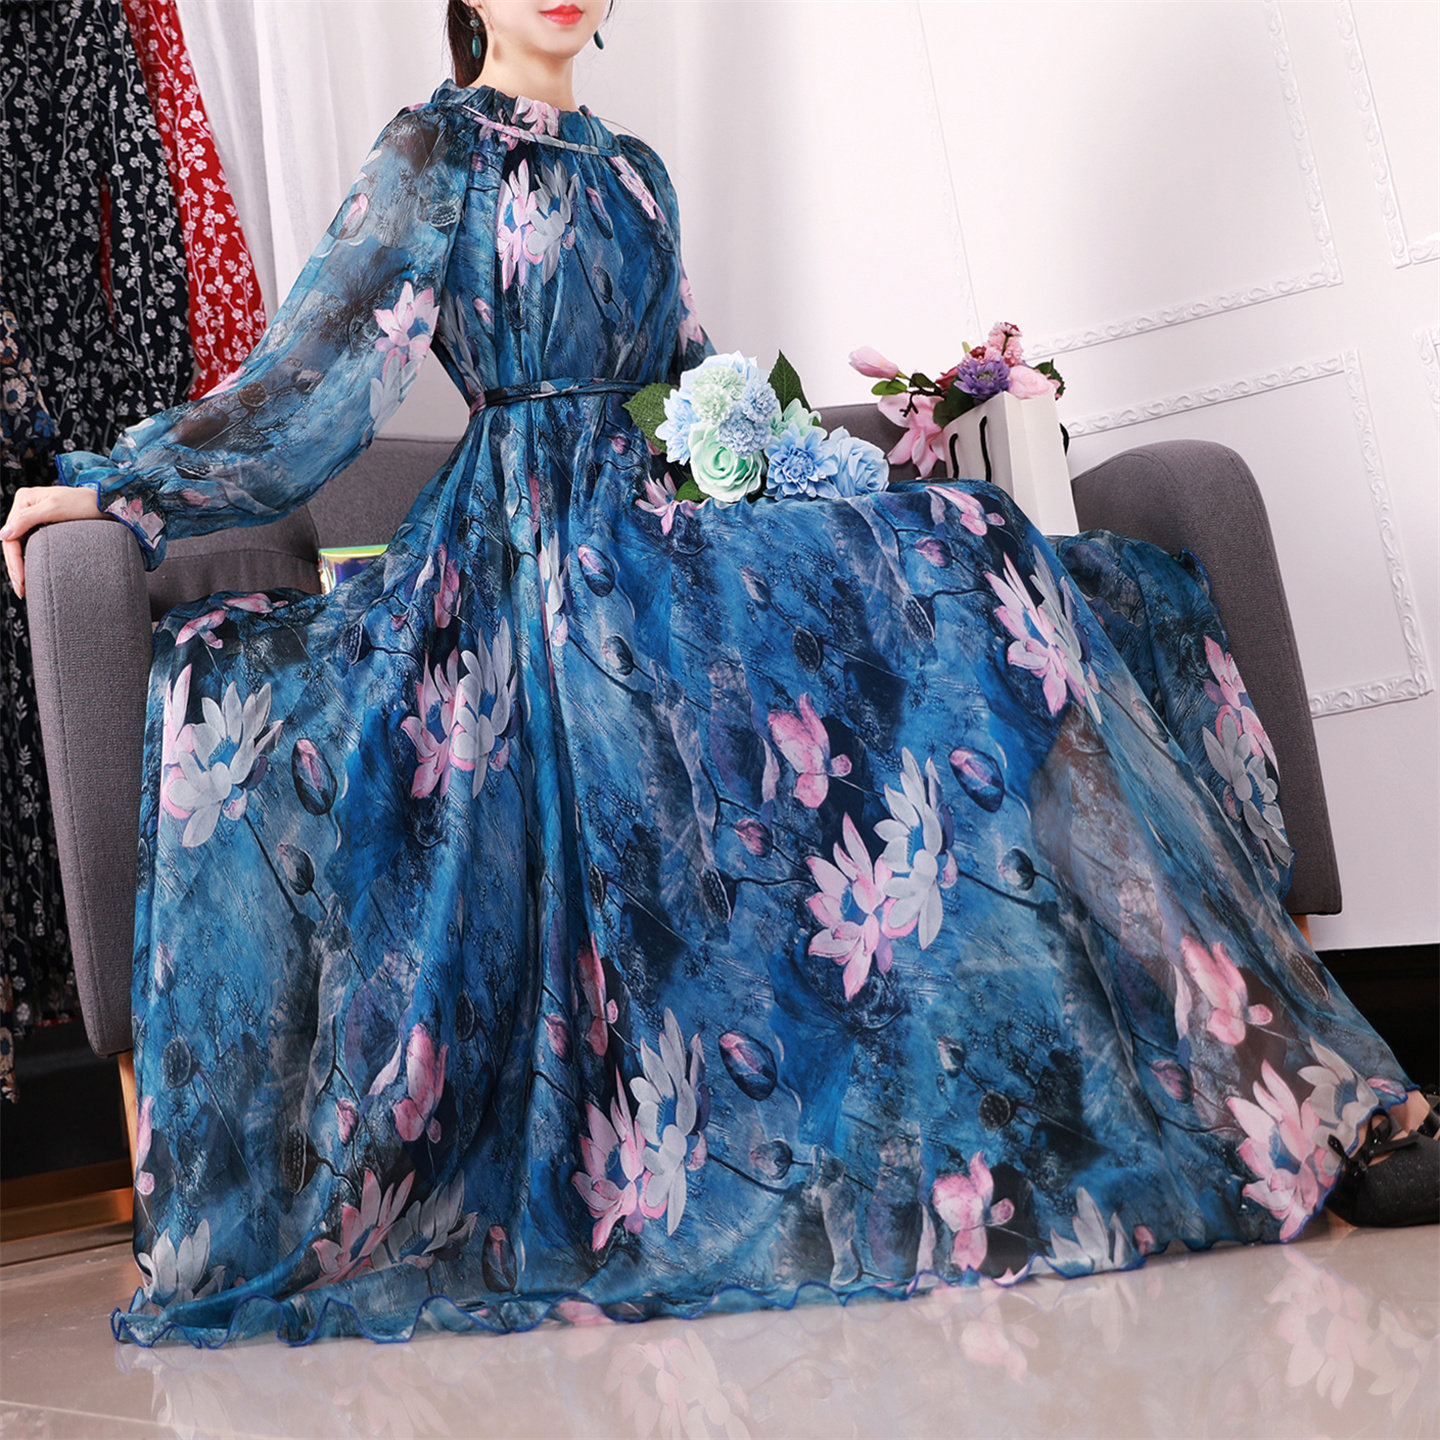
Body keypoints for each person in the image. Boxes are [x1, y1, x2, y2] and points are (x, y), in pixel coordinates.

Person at [2, 0, 1434, 1347]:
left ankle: (1248, 1082)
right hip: (529, 553)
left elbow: (688, 384)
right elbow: (315, 373)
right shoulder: (431, 150)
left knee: (971, 546)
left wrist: (805, 470)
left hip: (661, 522)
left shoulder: (637, 173)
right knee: (922, 579)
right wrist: (122, 487)